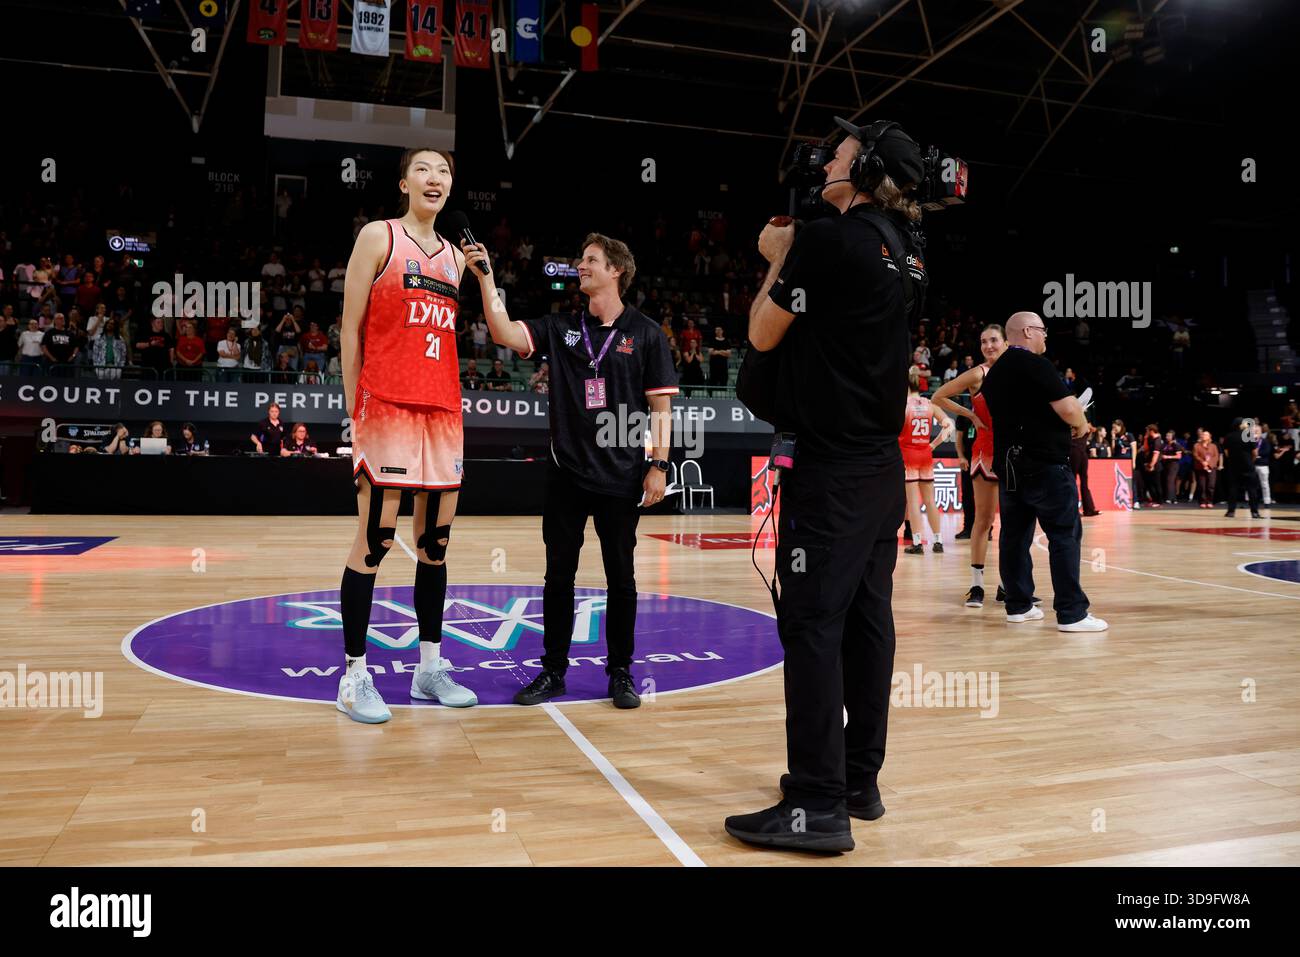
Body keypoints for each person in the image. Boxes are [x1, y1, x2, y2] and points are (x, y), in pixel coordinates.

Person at [726, 117, 930, 851]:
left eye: (839, 153)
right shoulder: (907, 254)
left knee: (812, 626)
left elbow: (760, 335)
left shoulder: (827, 237)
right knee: (869, 621)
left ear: (867, 165)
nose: (824, 161)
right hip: (877, 468)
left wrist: (777, 257)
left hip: (833, 470)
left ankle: (816, 806)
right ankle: (855, 779)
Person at [481, 232, 677, 710]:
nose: (580, 266)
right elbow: (505, 333)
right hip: (566, 473)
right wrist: (487, 280)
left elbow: (661, 409)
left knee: (622, 579)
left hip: (622, 475)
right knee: (558, 578)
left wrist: (658, 465)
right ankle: (553, 671)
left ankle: (622, 673)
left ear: (616, 271)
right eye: (581, 259)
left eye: (590, 260)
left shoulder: (647, 333)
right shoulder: (560, 326)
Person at [335, 147, 484, 723]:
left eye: (445, 170)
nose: (436, 177)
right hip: (387, 406)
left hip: (442, 410)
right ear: (404, 182)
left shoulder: (454, 257)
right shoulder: (379, 236)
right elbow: (350, 328)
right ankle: (353, 677)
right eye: (424, 168)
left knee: (435, 546)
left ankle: (429, 668)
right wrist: (356, 408)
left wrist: (486, 275)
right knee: (374, 541)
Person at [979, 312, 1107, 632]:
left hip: (1009, 466)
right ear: (1027, 332)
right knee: (1064, 535)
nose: (1046, 337)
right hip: (1045, 463)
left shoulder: (993, 374)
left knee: (1014, 537)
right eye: (1042, 331)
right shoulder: (1037, 365)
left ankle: (1019, 606)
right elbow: (1067, 408)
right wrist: (1081, 424)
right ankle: (1072, 613)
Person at [932, 323, 1010, 606]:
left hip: (1015, 456)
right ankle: (977, 586)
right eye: (983, 342)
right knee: (984, 521)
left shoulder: (1018, 370)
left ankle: (1009, 585)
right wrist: (970, 415)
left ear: (1005, 342)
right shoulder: (979, 373)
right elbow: (938, 397)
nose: (988, 346)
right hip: (987, 455)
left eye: (993, 340)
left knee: (1015, 524)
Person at [899, 366, 954, 554]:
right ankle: (938, 541)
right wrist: (933, 444)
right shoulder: (929, 403)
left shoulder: (902, 405)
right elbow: (949, 426)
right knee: (930, 501)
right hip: (925, 454)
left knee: (913, 502)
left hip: (908, 455)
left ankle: (917, 542)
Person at [1221, 417, 1262, 518]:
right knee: (1252, 489)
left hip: (1234, 466)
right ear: (1240, 425)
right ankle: (1254, 512)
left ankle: (1231, 512)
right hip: (1248, 466)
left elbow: (1226, 453)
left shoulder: (1228, 436)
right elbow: (1255, 453)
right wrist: (1250, 461)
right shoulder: (1248, 435)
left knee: (1233, 489)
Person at [1192, 428, 1219, 508]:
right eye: (1203, 434)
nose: (1204, 436)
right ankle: (1202, 501)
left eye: (1206, 434)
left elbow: (1216, 456)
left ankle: (1210, 501)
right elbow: (1195, 455)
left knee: (1211, 485)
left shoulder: (1213, 446)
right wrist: (1203, 462)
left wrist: (1209, 463)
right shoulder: (1196, 445)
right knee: (1201, 485)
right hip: (1200, 467)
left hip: (1211, 467)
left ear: (1209, 437)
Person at [1256, 423, 1274, 507]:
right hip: (1253, 465)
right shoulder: (1250, 441)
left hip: (1263, 465)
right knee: (1251, 484)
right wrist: (1257, 455)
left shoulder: (1265, 441)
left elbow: (1266, 452)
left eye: (1257, 431)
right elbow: (1248, 453)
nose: (1255, 432)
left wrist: (1256, 455)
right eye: (1254, 431)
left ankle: (1267, 501)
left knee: (1265, 484)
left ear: (1261, 432)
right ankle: (1250, 500)